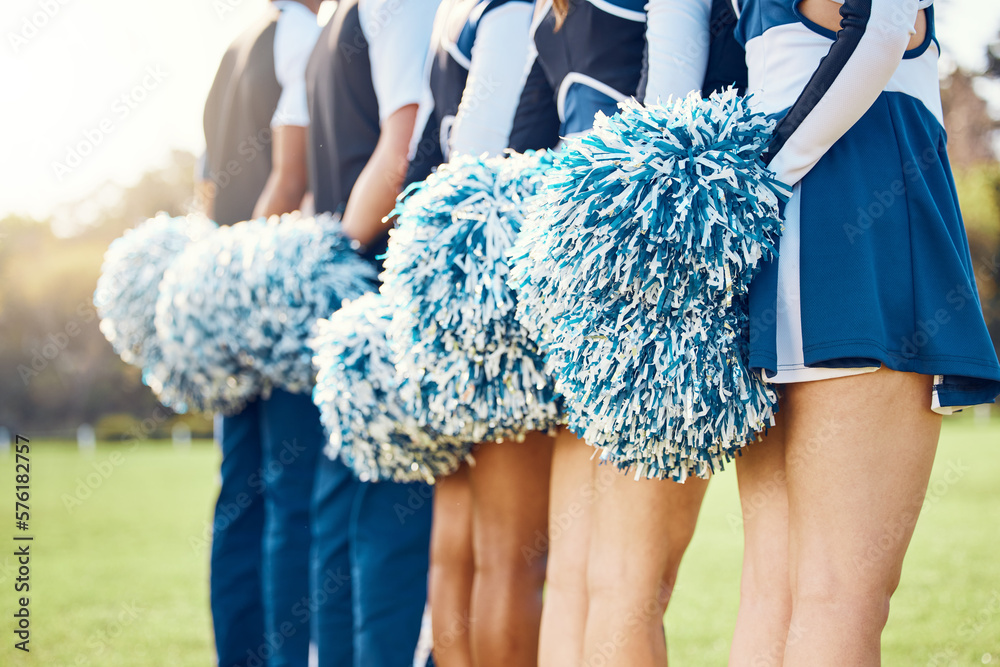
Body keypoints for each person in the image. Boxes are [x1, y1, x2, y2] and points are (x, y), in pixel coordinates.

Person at [730, 0, 1000, 665]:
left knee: (777, 590)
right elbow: (879, 29)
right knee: (842, 596)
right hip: (860, 220)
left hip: (774, 252)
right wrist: (763, 185)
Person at [403, 2, 546, 666]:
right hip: (496, 306)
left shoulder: (457, 11)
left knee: (464, 550)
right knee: (512, 560)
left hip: (453, 299)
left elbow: (426, 160)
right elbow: (478, 158)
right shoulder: (509, 10)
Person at [303, 1, 441, 665]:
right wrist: (338, 256)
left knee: (342, 523)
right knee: (389, 524)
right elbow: (401, 148)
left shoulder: (332, 19)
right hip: (376, 290)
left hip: (341, 307)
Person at [200, 3, 322, 667]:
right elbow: (289, 176)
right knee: (290, 499)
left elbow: (207, 183)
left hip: (227, 302)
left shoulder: (236, 44)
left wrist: (216, 286)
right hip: (273, 305)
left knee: (240, 496)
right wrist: (248, 280)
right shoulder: (301, 33)